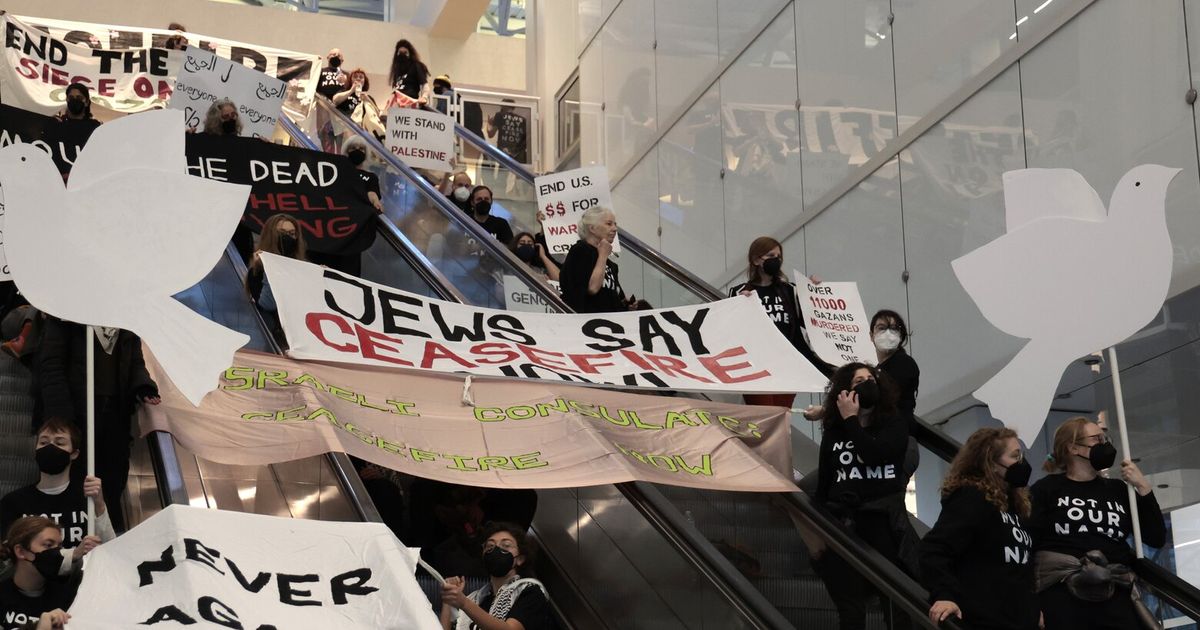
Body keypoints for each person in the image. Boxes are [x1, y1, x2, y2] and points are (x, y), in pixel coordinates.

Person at [1030, 417, 1166, 630]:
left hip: (1114, 593)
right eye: (1097, 439)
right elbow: (1030, 545)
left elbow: (1156, 537)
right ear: (1074, 447)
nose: (1105, 445)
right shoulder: (1046, 489)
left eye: (1105, 438)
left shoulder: (1117, 489)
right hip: (1064, 594)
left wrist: (1143, 487)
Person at [812, 362, 916, 630]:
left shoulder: (893, 424)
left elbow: (874, 454)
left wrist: (851, 420)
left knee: (895, 602)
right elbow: (824, 482)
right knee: (850, 608)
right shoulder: (834, 432)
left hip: (883, 523)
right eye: (859, 381)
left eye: (871, 378)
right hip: (843, 525)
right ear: (845, 392)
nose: (868, 383)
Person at [33, 320, 159, 534]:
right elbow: (51, 365)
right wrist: (61, 419)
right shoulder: (65, 315)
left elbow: (135, 361)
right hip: (73, 413)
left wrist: (143, 386)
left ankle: (109, 533)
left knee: (113, 475)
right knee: (74, 476)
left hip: (114, 415)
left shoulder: (125, 319)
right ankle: (69, 536)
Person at [919, 427, 1037, 630]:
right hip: (984, 620)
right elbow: (934, 549)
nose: (1021, 462)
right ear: (991, 462)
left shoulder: (1015, 503)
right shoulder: (972, 498)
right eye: (1015, 456)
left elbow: (1021, 569)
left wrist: (1034, 610)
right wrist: (945, 595)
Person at [0, 419, 116, 575]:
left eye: (60, 443)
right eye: (43, 442)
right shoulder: (13, 502)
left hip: (83, 588)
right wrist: (73, 554)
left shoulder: (88, 498)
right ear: (35, 449)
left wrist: (100, 505)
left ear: (74, 454)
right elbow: (9, 558)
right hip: (35, 589)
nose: (50, 447)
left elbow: (111, 549)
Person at [730, 236, 831, 408]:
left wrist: (813, 294)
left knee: (782, 412)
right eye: (770, 256)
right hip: (756, 367)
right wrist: (739, 306)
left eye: (779, 256)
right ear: (756, 260)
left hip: (787, 365)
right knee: (764, 413)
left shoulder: (789, 290)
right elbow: (731, 330)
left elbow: (812, 323)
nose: (776, 260)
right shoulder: (740, 292)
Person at [440, 522, 552, 630]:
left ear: (520, 559)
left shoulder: (530, 592)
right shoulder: (478, 599)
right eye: (489, 546)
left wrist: (464, 603)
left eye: (506, 546)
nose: (496, 550)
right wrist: (448, 600)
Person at [0, 517, 91, 630]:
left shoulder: (69, 594)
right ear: (20, 551)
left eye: (59, 547)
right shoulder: (3, 596)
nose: (57, 552)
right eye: (48, 545)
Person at [559, 207, 635, 313]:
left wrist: (626, 305)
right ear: (592, 228)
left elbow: (613, 298)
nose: (614, 229)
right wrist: (603, 255)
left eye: (615, 224)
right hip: (586, 324)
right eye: (609, 224)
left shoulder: (611, 265)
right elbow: (592, 288)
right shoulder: (580, 251)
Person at [246, 214, 307, 336]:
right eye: (282, 233)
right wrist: (269, 269)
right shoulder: (257, 270)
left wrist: (322, 278)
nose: (287, 238)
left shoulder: (304, 268)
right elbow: (268, 304)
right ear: (271, 236)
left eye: (291, 234)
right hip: (276, 336)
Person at [871, 310, 919, 416]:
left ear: (900, 336)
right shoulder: (877, 370)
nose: (887, 334)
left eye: (893, 328)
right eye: (881, 328)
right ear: (871, 335)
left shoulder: (904, 363)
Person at [338, 68, 385, 139]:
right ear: (350, 80)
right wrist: (351, 91)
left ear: (364, 81)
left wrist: (368, 99)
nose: (358, 78)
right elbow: (335, 100)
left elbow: (377, 114)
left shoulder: (369, 97)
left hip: (365, 131)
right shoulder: (345, 93)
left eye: (361, 77)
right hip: (348, 128)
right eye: (355, 76)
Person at [388, 39, 430, 107]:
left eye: (405, 52)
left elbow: (425, 84)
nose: (402, 55)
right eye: (400, 52)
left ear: (409, 54)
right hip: (397, 102)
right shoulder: (397, 70)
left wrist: (424, 97)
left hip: (410, 103)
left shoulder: (416, 65)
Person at [486, 100, 529, 164]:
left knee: (503, 173)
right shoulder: (523, 120)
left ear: (503, 106)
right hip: (518, 156)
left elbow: (491, 134)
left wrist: (489, 124)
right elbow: (525, 140)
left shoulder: (499, 115)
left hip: (503, 154)